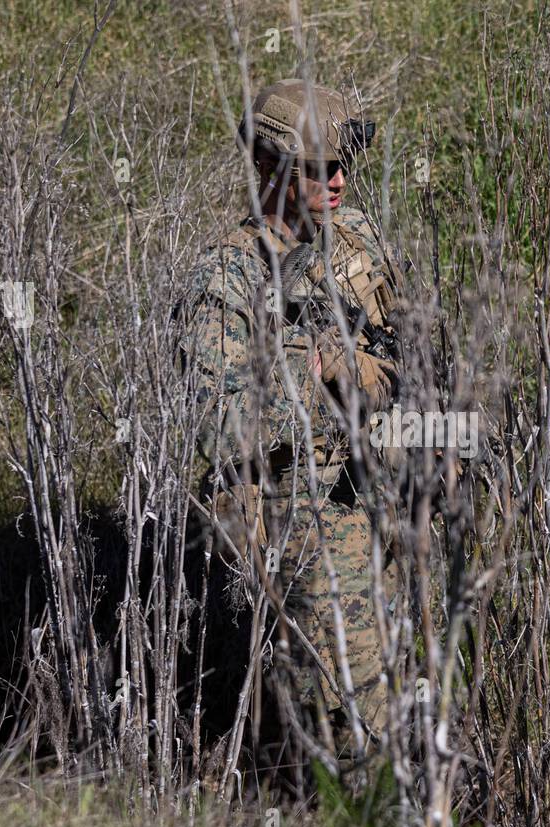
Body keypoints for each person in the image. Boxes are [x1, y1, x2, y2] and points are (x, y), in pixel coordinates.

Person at [181, 79, 409, 766]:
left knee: (424, 699)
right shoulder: (230, 274)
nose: (339, 180)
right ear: (270, 167)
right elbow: (214, 422)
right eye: (320, 168)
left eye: (345, 164)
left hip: (397, 510)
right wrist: (319, 389)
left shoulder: (359, 239)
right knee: (358, 734)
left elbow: (418, 348)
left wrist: (374, 376)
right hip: (307, 530)